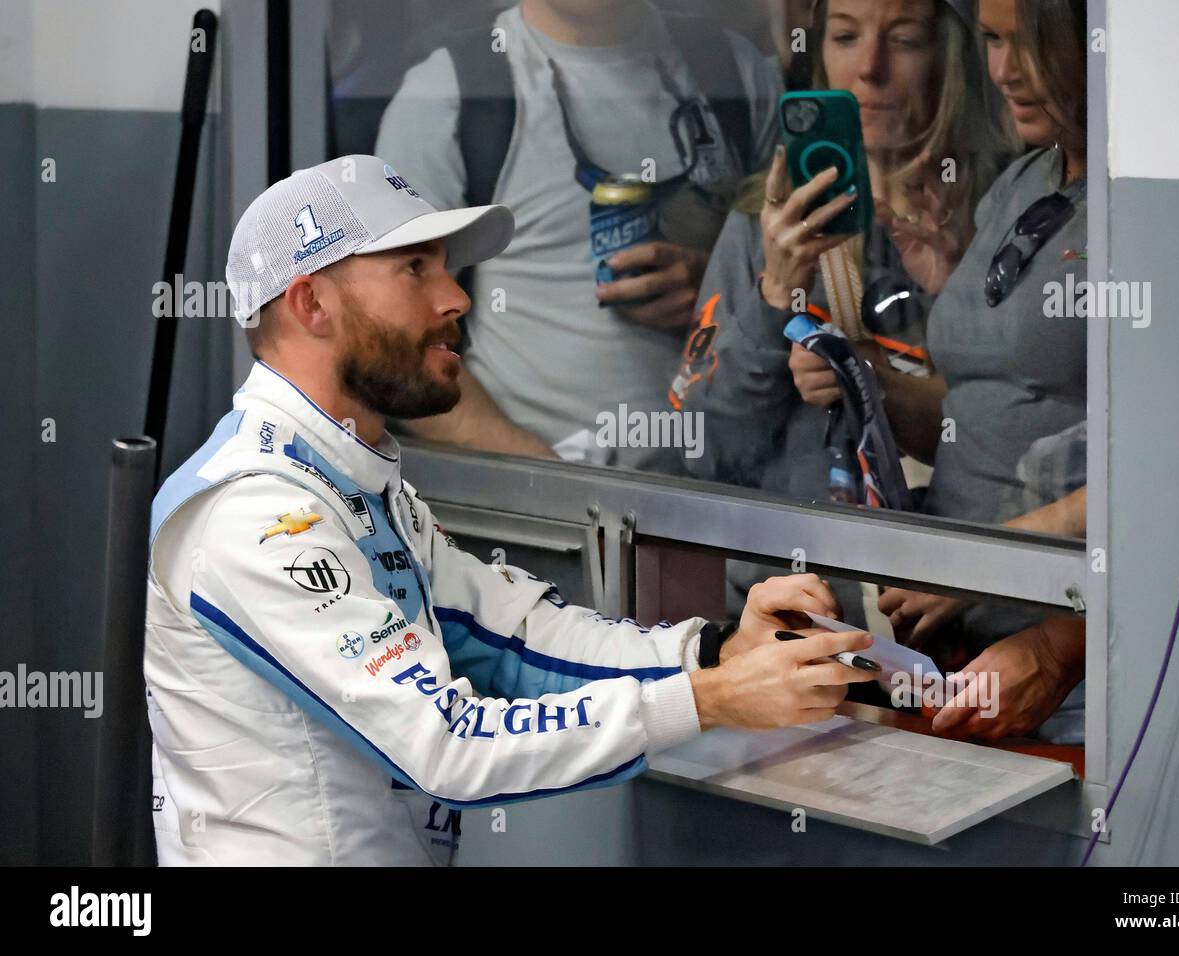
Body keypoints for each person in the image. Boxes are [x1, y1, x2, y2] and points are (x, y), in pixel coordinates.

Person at [143, 155, 874, 865]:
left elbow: (523, 637)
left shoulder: (351, 481)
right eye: (415, 268)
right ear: (311, 304)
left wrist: (714, 653)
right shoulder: (255, 513)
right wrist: (709, 699)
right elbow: (449, 746)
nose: (455, 297)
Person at [673, 0, 1012, 619]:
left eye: (904, 39)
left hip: (964, 611)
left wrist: (878, 371)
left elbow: (1015, 436)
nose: (871, 69)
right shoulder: (761, 226)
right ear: (818, 52)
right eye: (846, 36)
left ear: (947, 57)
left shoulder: (1004, 214)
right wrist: (776, 295)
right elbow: (705, 453)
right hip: (799, 619)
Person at [806, 0, 1090, 741]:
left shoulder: (1149, 205)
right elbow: (975, 414)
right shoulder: (1023, 180)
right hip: (952, 636)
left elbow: (1170, 480)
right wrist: (865, 379)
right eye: (993, 41)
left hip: (1064, 653)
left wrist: (988, 574)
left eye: (1031, 44)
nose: (1005, 72)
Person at [374, 0, 783, 470]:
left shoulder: (732, 69)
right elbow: (395, 348)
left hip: (734, 498)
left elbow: (805, 290)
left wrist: (718, 286)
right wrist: (547, 477)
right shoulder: (450, 91)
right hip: (544, 518)